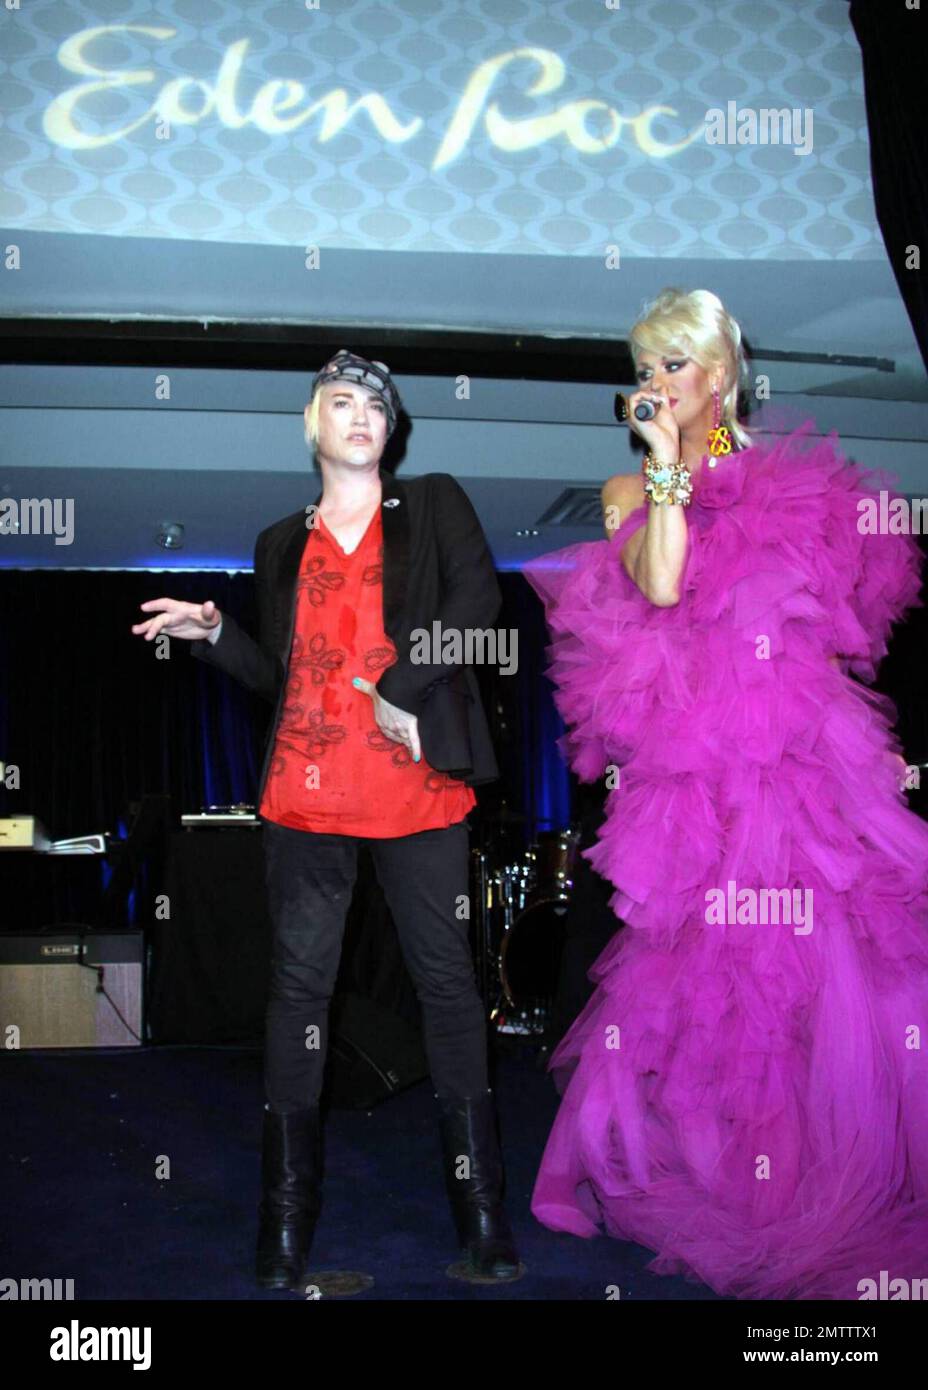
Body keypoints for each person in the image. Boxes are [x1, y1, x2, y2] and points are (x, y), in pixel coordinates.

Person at [523, 288, 928, 1299]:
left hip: (794, 760)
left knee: (825, 964)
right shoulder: (627, 489)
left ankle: (841, 1171)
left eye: (676, 364)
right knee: (716, 974)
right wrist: (665, 473)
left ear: (723, 375)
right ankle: (751, 1187)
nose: (656, 383)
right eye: (646, 367)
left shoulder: (797, 487)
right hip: (697, 778)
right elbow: (661, 586)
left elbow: (853, 613)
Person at [132, 350, 521, 1289]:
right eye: (341, 402)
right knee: (297, 998)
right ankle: (282, 1239)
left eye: (376, 406)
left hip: (419, 787)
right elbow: (279, 677)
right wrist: (217, 636)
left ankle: (483, 1224)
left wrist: (399, 684)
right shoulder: (278, 543)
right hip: (304, 795)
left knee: (448, 991)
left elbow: (479, 604)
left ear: (393, 431)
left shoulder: (431, 505)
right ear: (313, 426)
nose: (361, 416)